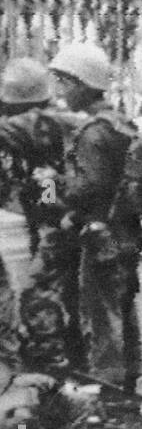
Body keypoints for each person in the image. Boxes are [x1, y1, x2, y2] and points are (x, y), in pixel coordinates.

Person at [49, 44, 142, 407]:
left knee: (102, 314)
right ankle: (127, 383)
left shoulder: (92, 132)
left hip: (102, 234)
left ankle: (111, 392)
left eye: (65, 83)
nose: (60, 91)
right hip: (127, 232)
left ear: (82, 84)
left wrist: (52, 185)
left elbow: (89, 186)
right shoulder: (119, 123)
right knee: (124, 308)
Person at [0, 58, 86, 372]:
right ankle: (81, 361)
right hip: (74, 220)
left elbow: (48, 191)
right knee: (75, 292)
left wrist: (46, 197)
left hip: (58, 222)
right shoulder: (69, 121)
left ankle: (51, 361)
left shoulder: (39, 125)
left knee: (41, 290)